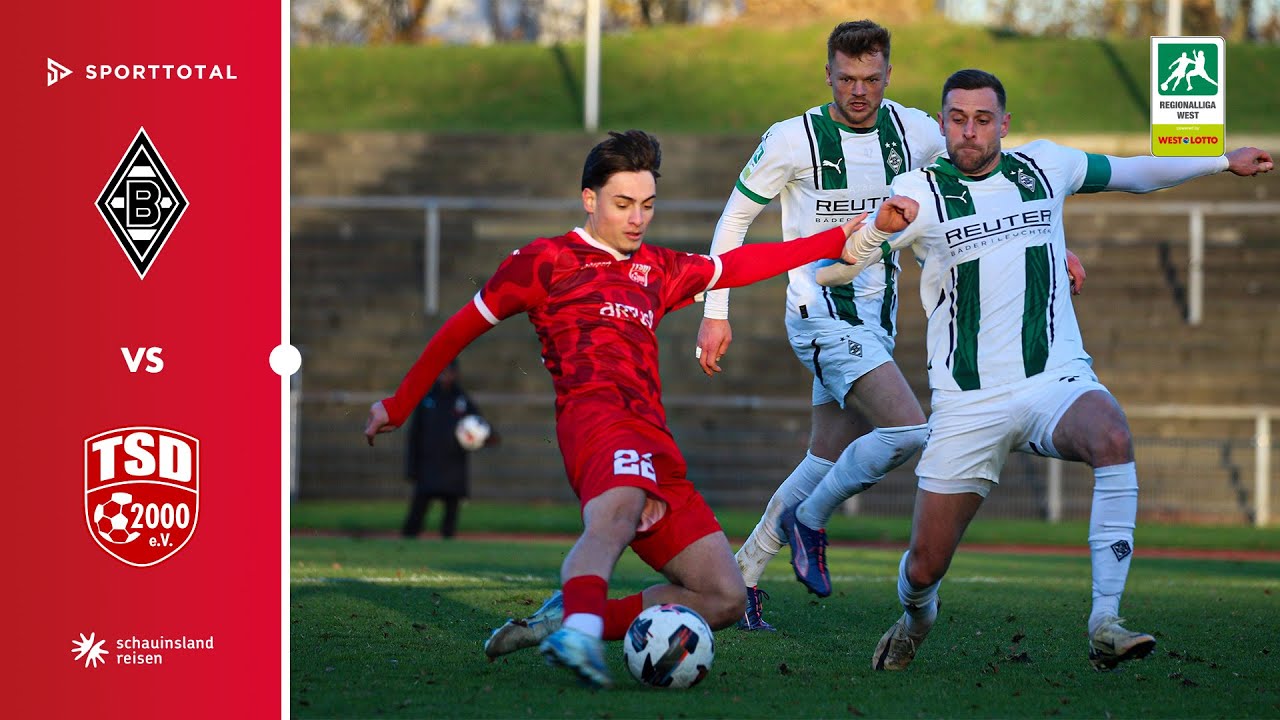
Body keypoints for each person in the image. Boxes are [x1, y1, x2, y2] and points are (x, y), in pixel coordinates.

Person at [364, 129, 918, 687]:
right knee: (618, 512)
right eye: (623, 204)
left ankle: (571, 616)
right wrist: (400, 402)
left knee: (723, 597)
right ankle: (580, 635)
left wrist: (838, 236)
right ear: (590, 199)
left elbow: (741, 264)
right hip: (595, 423)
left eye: (647, 205)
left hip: (657, 441)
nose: (637, 219)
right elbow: (459, 330)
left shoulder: (657, 268)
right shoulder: (544, 261)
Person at [818, 69, 1272, 672]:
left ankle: (1105, 620)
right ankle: (915, 619)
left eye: (983, 120)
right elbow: (839, 270)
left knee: (1112, 435)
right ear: (943, 122)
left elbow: (1131, 172)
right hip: (968, 401)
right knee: (925, 565)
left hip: (1053, 378)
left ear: (1004, 124)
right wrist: (878, 230)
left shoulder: (1045, 165)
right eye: (957, 118)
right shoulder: (918, 192)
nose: (970, 131)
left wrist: (1221, 160)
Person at [695, 20, 1084, 630]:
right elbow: (732, 222)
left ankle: (741, 580)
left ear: (888, 76)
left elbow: (988, 174)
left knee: (823, 458)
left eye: (870, 78)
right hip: (818, 314)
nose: (858, 91)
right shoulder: (792, 140)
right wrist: (715, 314)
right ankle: (808, 522)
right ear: (827, 74)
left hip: (876, 323)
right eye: (846, 78)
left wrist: (1051, 243)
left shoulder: (917, 131)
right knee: (913, 432)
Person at [401, 360, 493, 539]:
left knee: (451, 509)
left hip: (453, 466)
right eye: (442, 373)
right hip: (428, 463)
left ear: (456, 374)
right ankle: (408, 538)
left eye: (449, 373)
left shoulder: (462, 400)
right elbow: (414, 435)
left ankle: (447, 539)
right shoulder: (427, 399)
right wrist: (411, 467)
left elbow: (481, 426)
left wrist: (488, 437)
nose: (446, 377)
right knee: (419, 507)